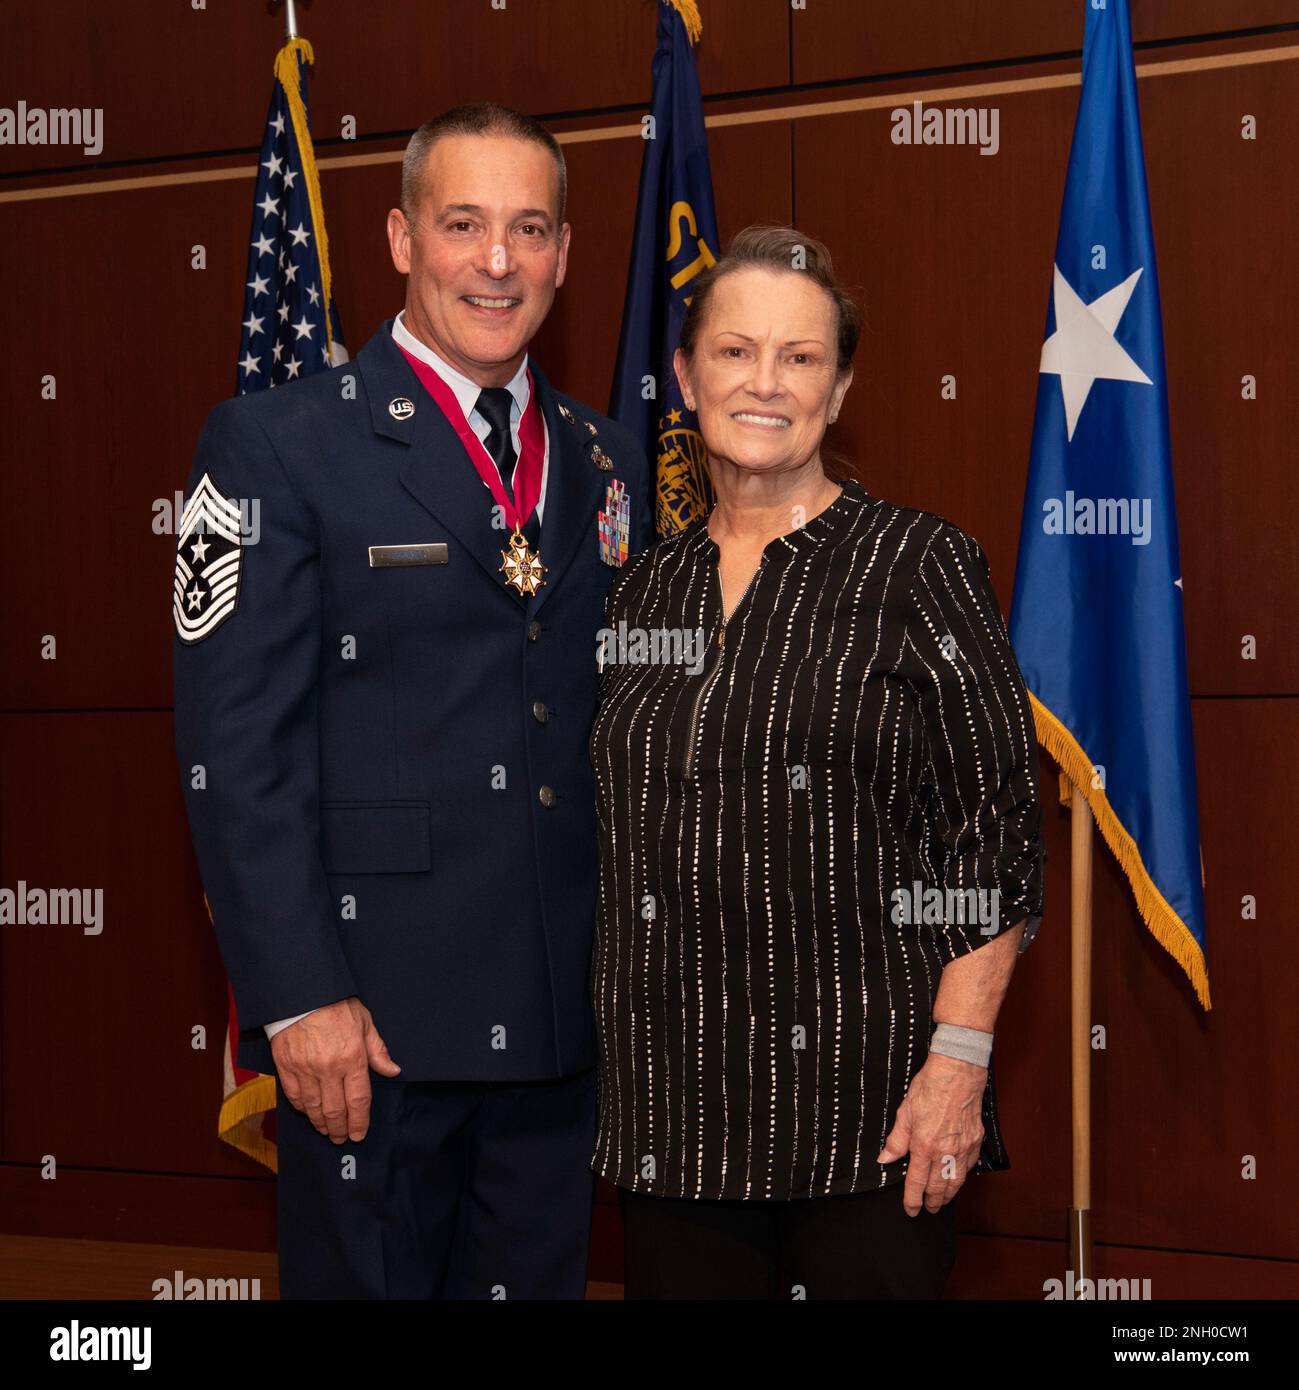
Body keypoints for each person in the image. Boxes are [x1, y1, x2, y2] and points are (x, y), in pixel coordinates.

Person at [172, 102, 652, 1299]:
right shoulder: (275, 446)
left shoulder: (607, 460)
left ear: (564, 254)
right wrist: (297, 997)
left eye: (529, 228)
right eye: (464, 224)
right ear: (399, 238)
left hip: (558, 1028)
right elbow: (239, 753)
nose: (498, 261)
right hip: (370, 1029)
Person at [589, 224, 1047, 1300]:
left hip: (871, 1122)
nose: (765, 381)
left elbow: (998, 833)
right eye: (736, 351)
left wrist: (960, 1063)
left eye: (800, 358)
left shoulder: (919, 564)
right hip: (674, 1129)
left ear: (838, 391)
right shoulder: (638, 590)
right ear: (687, 377)